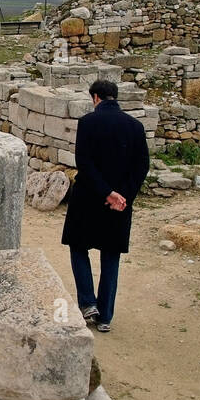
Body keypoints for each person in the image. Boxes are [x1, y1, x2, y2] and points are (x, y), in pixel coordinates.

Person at [60, 79, 149, 332]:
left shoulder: (88, 122)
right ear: (115, 97)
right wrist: (122, 196)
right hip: (119, 204)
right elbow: (142, 166)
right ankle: (105, 317)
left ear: (95, 98)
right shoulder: (136, 126)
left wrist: (106, 192)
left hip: (89, 196)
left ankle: (88, 302)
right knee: (111, 255)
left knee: (78, 247)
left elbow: (84, 163)